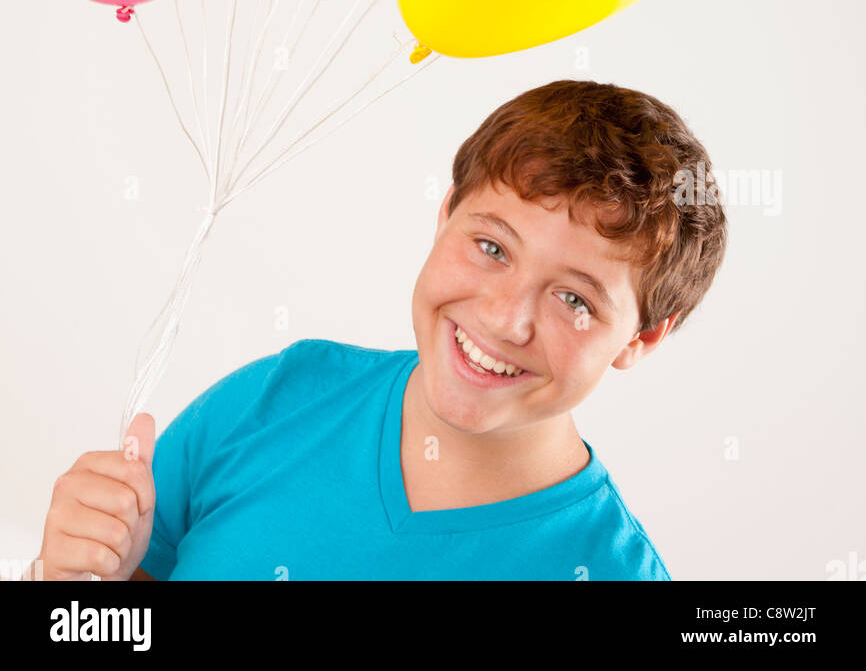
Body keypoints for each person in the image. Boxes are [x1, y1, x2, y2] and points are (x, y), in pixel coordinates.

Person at [35, 79, 727, 582]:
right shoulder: (279, 398)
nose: (503, 318)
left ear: (641, 338)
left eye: (574, 300)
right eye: (491, 247)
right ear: (446, 213)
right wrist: (71, 582)